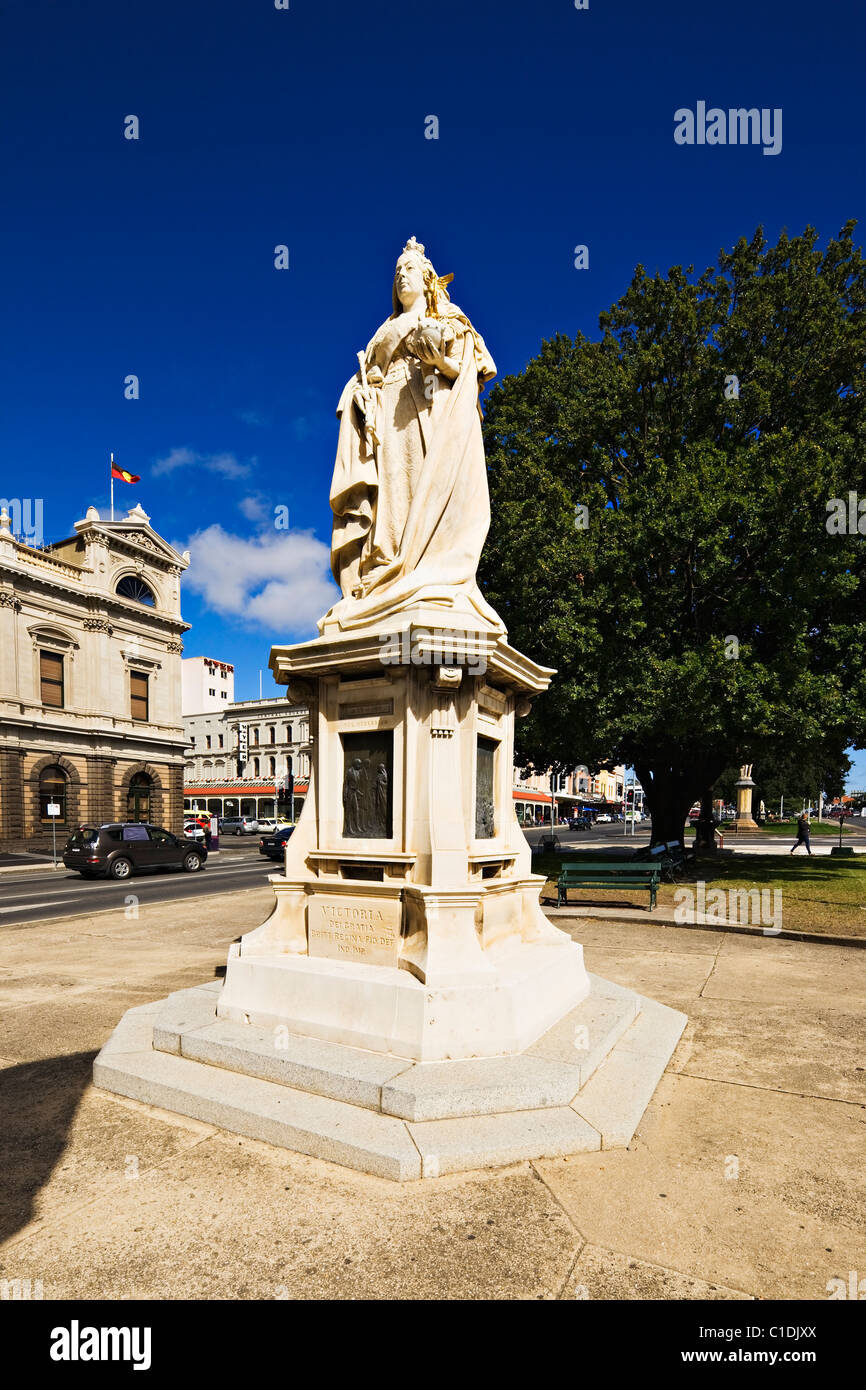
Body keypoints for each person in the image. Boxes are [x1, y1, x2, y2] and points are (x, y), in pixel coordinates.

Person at [324, 237, 502, 634]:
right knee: (391, 494)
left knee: (429, 486)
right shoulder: (384, 330)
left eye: (409, 270)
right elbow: (366, 377)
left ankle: (427, 570)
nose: (402, 276)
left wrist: (439, 361)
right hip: (388, 415)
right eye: (397, 272)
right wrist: (362, 396)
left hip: (429, 410)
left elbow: (472, 374)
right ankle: (388, 567)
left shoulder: (451, 317)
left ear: (427, 279)